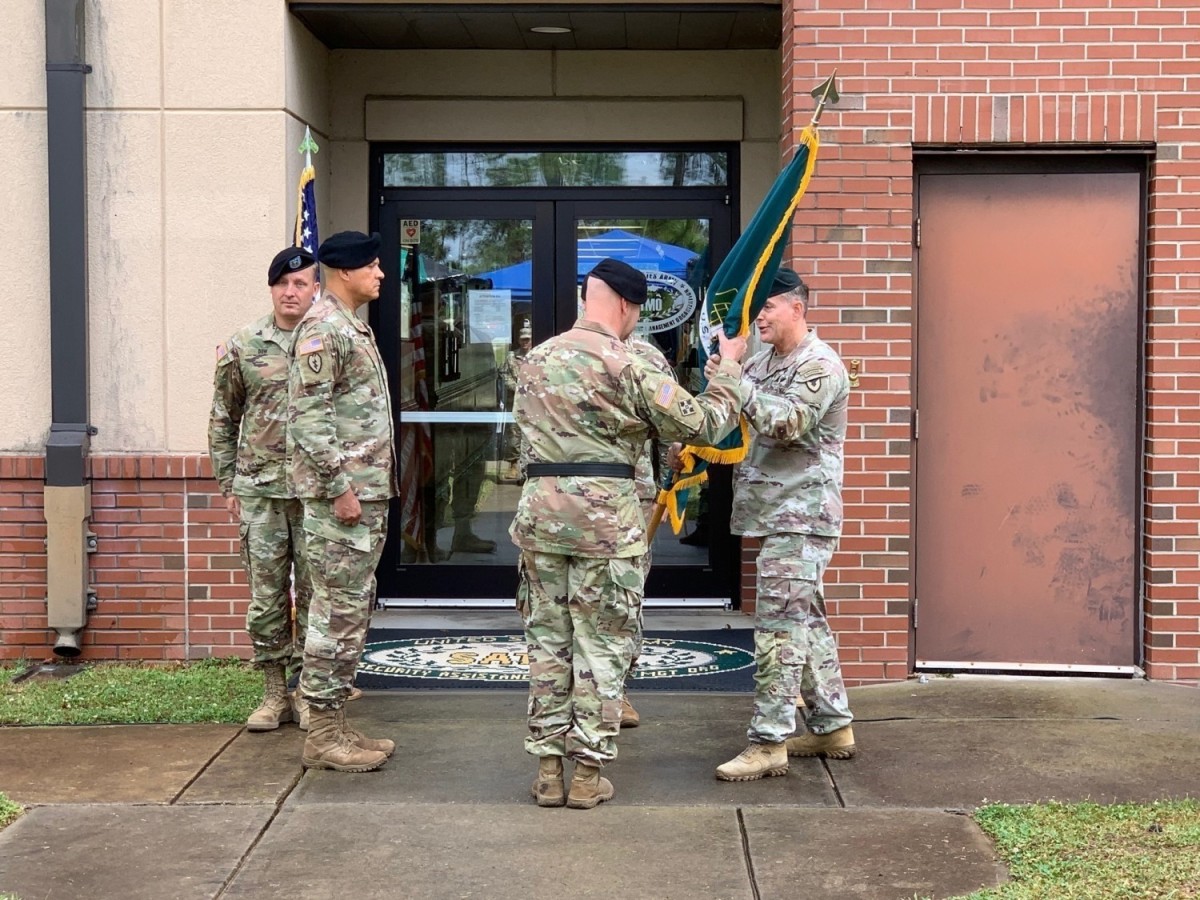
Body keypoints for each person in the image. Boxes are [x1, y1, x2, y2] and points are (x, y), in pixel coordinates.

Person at [512, 258, 750, 810]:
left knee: (547, 643)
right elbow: (704, 424)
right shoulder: (626, 363)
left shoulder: (535, 360)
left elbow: (525, 443)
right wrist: (730, 372)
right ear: (626, 305)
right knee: (602, 644)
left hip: (540, 516)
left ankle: (549, 772)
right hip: (606, 523)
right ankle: (589, 774)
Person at [689, 268, 855, 783]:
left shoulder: (819, 365)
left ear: (797, 309)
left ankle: (769, 742)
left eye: (767, 308)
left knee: (779, 631)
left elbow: (787, 424)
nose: (757, 317)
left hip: (802, 516)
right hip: (776, 513)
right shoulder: (763, 361)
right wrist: (722, 382)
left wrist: (737, 381)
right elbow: (733, 419)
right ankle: (831, 725)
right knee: (806, 623)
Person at [288, 230, 398, 773]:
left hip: (363, 494)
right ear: (346, 271)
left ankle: (336, 726)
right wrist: (340, 487)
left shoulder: (350, 326)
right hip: (343, 500)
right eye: (373, 266)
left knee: (349, 609)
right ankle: (323, 736)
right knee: (335, 613)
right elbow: (309, 418)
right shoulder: (324, 328)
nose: (380, 274)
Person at [208, 246, 320, 733]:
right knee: (267, 595)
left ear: (316, 288)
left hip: (319, 492)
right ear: (272, 288)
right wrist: (228, 480)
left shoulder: (331, 341)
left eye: (301, 284)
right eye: (282, 284)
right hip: (262, 492)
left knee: (319, 595)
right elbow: (223, 416)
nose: (290, 292)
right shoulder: (244, 344)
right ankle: (274, 693)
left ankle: (309, 693)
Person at [620, 332, 676, 729]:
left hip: (631, 494)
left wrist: (673, 469)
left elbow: (673, 419)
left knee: (625, 593)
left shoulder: (644, 355)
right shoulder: (561, 352)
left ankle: (617, 690)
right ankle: (571, 694)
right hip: (567, 503)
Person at [499, 321, 533, 482]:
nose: (525, 342)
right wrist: (519, 388)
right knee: (513, 434)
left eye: (528, 339)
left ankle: (530, 468)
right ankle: (513, 465)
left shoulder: (538, 356)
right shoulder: (511, 357)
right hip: (515, 402)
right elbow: (504, 375)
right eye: (523, 339)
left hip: (534, 405)